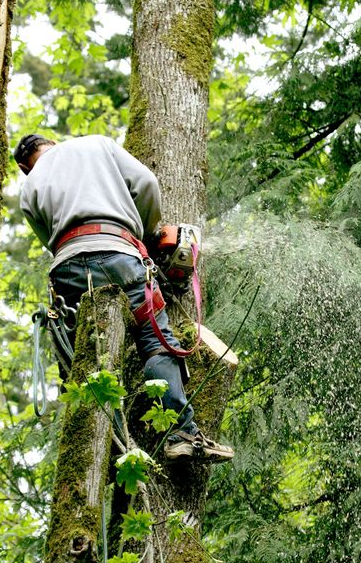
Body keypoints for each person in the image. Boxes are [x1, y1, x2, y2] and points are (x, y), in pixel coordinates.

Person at [15, 133, 233, 463]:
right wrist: (146, 233)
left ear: (23, 166)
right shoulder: (96, 144)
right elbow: (146, 183)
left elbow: (49, 240)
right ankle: (182, 434)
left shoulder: (29, 185)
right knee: (155, 341)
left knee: (84, 362)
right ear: (54, 143)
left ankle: (100, 452)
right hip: (119, 254)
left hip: (67, 270)